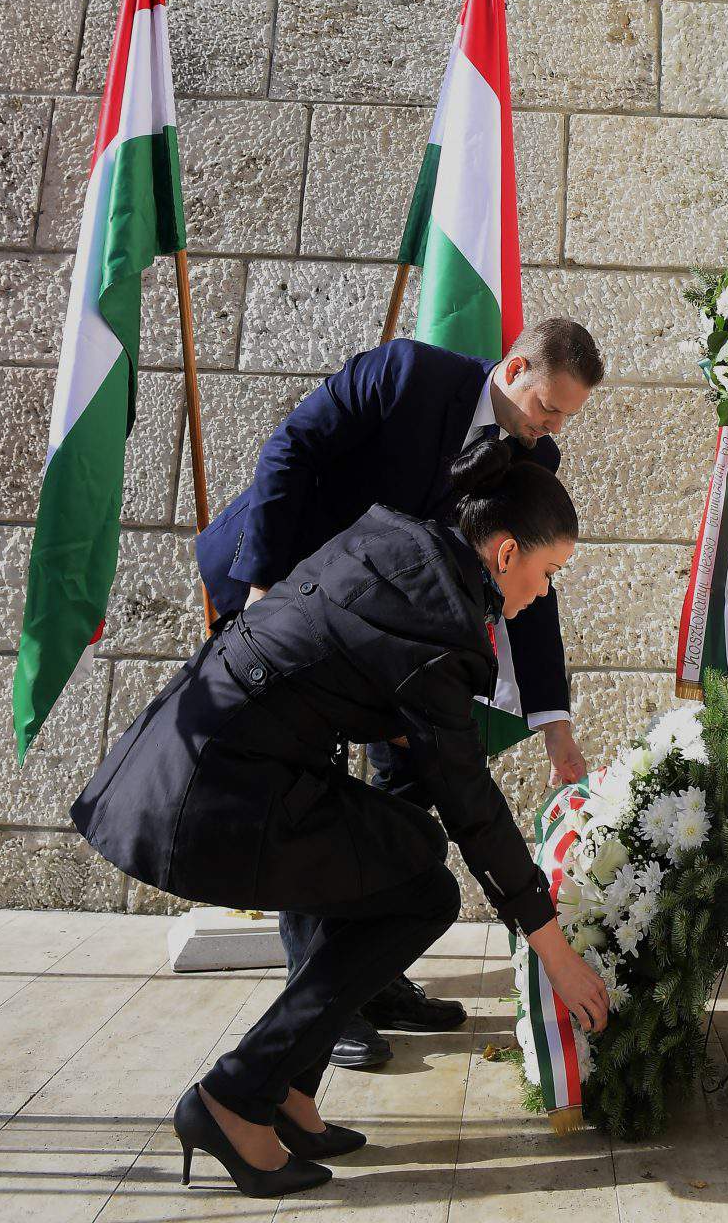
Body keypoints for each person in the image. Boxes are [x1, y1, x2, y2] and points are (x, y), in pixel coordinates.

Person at [71, 439, 610, 1198]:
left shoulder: (396, 538)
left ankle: (289, 1088)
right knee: (423, 888)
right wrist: (550, 945)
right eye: (546, 573)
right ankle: (235, 1094)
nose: (543, 593)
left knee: (391, 862)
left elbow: (333, 664)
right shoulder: (441, 624)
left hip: (177, 768)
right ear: (507, 552)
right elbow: (470, 805)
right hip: (207, 802)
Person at [195, 317, 604, 1064]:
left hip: (384, 631)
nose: (552, 427)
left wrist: (555, 725)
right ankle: (315, 1001)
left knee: (409, 783)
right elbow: (291, 450)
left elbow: (531, 580)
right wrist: (263, 591)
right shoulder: (407, 374)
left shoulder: (531, 453)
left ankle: (370, 973)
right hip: (284, 596)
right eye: (549, 406)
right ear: (513, 367)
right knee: (305, 794)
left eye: (567, 417)